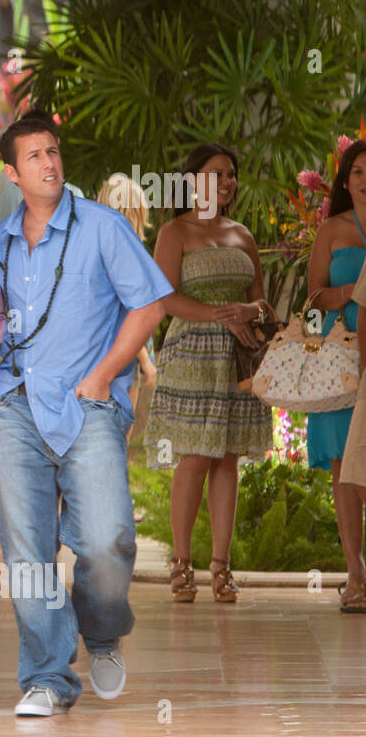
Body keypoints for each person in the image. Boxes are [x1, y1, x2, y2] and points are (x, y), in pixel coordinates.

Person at [0, 116, 171, 717]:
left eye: (53, 152)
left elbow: (149, 304)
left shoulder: (102, 227)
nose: (49, 163)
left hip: (88, 405)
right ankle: (46, 675)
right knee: (26, 551)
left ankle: (101, 631)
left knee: (108, 538)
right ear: (12, 174)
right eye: (34, 156)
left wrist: (102, 376)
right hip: (17, 406)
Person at [141, 145, 271, 603]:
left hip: (238, 357)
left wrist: (248, 311)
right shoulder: (175, 231)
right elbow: (164, 299)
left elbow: (261, 301)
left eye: (232, 175)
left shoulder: (243, 234)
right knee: (194, 457)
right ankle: (181, 563)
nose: (228, 182)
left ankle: (222, 566)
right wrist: (222, 315)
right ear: (193, 180)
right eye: (217, 174)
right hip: (191, 352)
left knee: (228, 458)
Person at [308, 139, 366, 612]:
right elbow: (313, 298)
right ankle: (355, 575)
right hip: (341, 355)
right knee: (345, 470)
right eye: (358, 172)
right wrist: (353, 290)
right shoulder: (331, 229)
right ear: (346, 181)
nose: (365, 179)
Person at [97, 173, 157, 447]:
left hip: (100, 350)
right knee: (116, 436)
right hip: (125, 354)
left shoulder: (97, 245)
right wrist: (146, 362)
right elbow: (129, 313)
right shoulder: (126, 251)